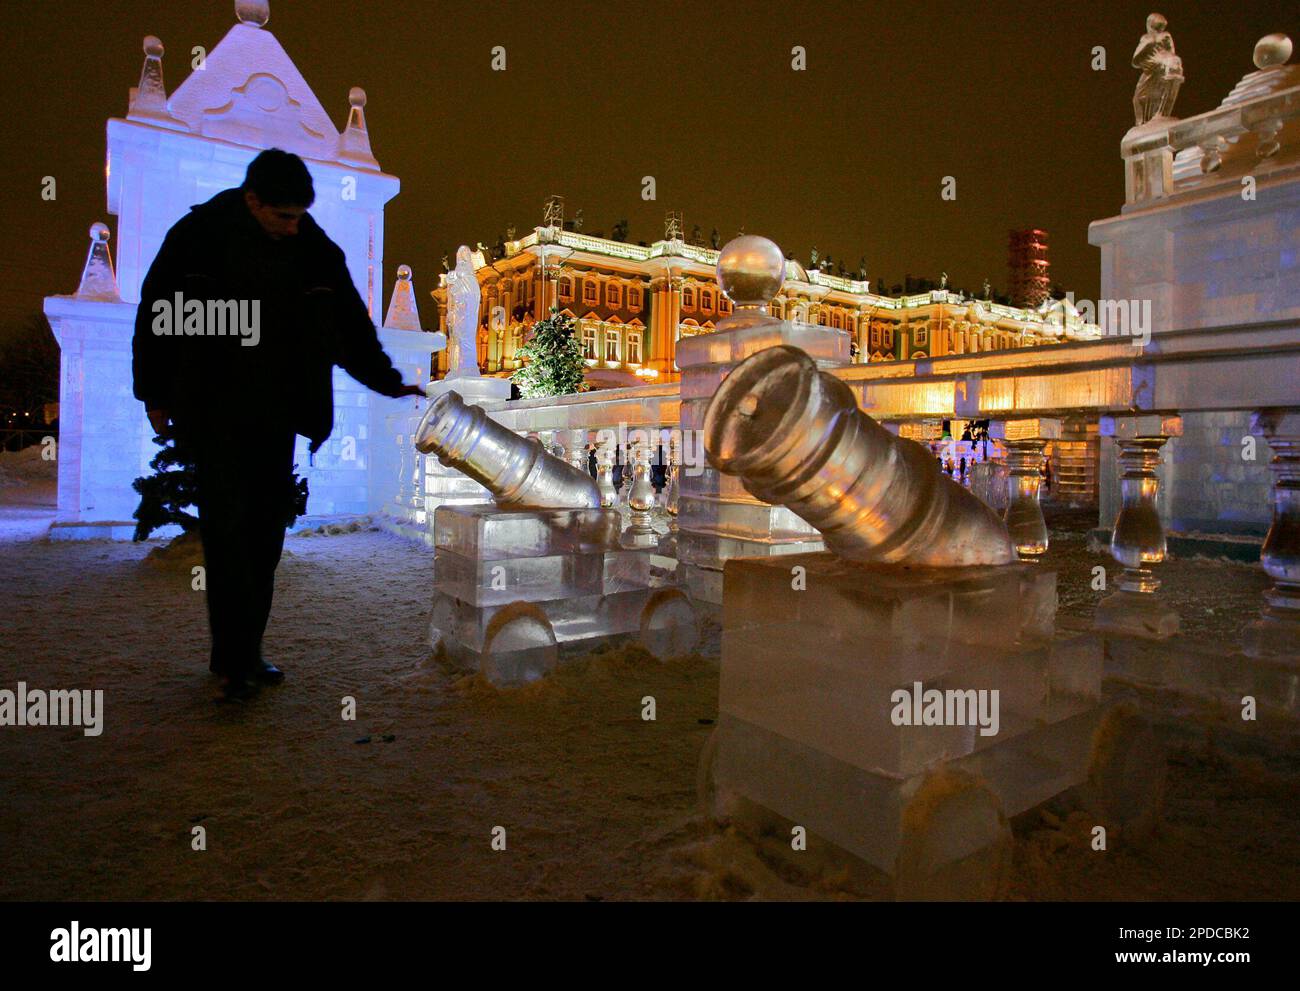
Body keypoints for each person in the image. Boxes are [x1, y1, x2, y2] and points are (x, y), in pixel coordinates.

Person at [132, 149, 424, 700]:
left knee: (265, 538)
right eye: (282, 217)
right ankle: (230, 661)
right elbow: (156, 314)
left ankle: (248, 652)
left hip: (279, 414)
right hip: (216, 409)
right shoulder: (198, 235)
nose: (293, 228)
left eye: (299, 217)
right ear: (252, 200)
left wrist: (389, 381)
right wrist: (153, 390)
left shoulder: (314, 250)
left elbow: (351, 327)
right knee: (228, 536)